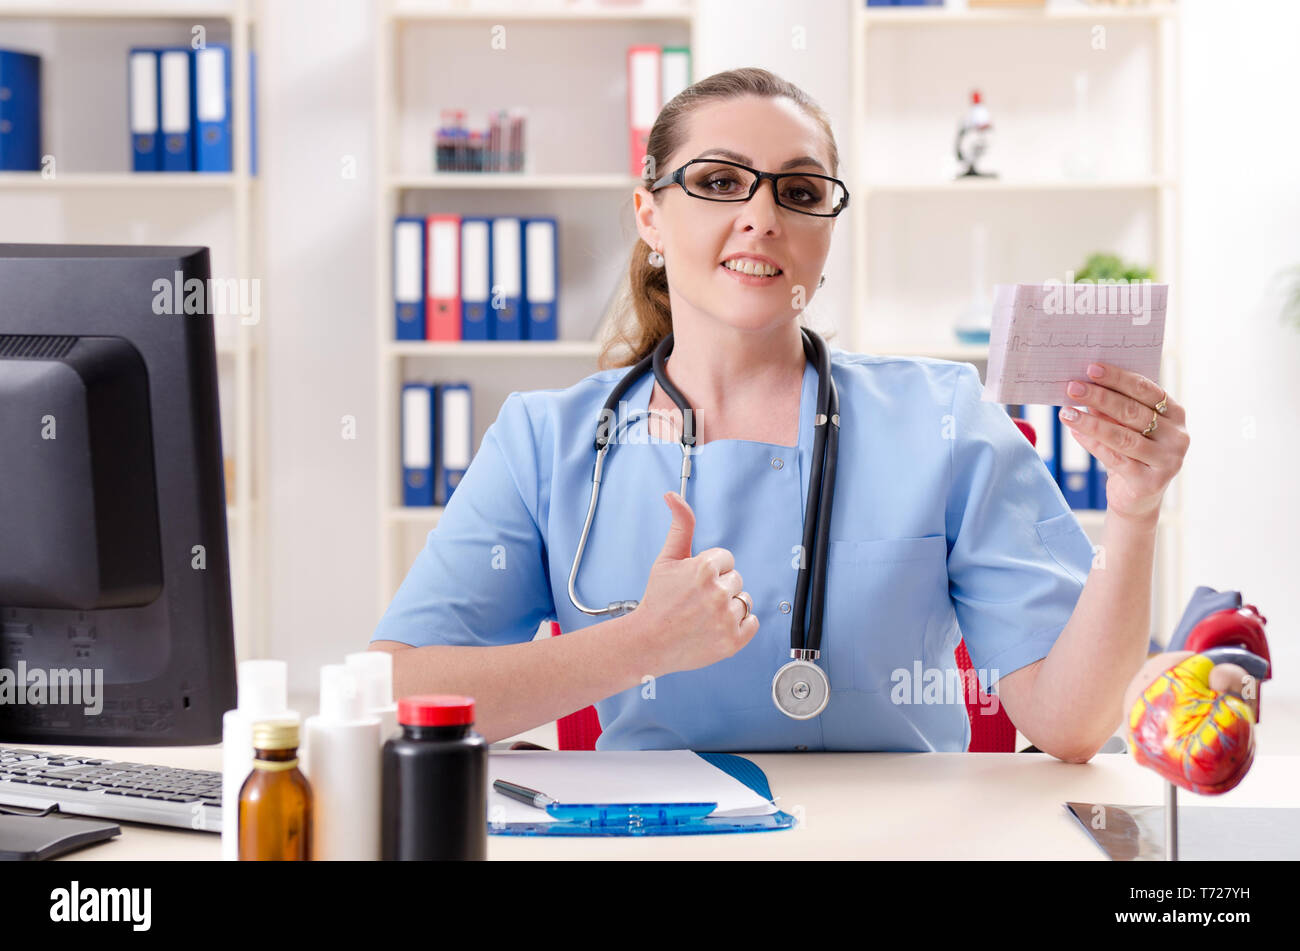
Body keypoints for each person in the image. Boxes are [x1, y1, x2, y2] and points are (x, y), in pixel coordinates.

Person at [369, 68, 1190, 759]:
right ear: (650, 214)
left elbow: (1072, 726)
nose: (762, 215)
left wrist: (1134, 510)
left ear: (826, 232)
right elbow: (390, 696)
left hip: (899, 844)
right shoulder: (543, 440)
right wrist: (638, 645)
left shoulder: (942, 417)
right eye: (720, 182)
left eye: (798, 191)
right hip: (656, 844)